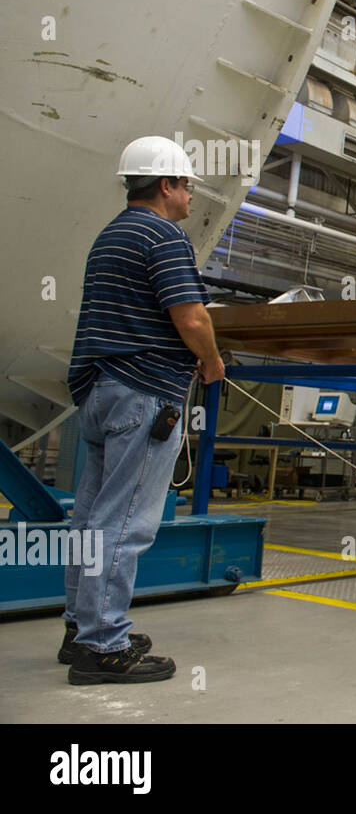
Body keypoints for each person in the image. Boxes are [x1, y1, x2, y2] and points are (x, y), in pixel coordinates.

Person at [61, 135, 225, 684]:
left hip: (99, 393)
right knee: (125, 521)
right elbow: (192, 316)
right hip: (143, 395)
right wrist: (212, 362)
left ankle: (79, 627)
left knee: (90, 519)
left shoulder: (110, 237)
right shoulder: (164, 235)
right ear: (166, 185)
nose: (192, 198)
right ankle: (102, 644)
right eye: (187, 186)